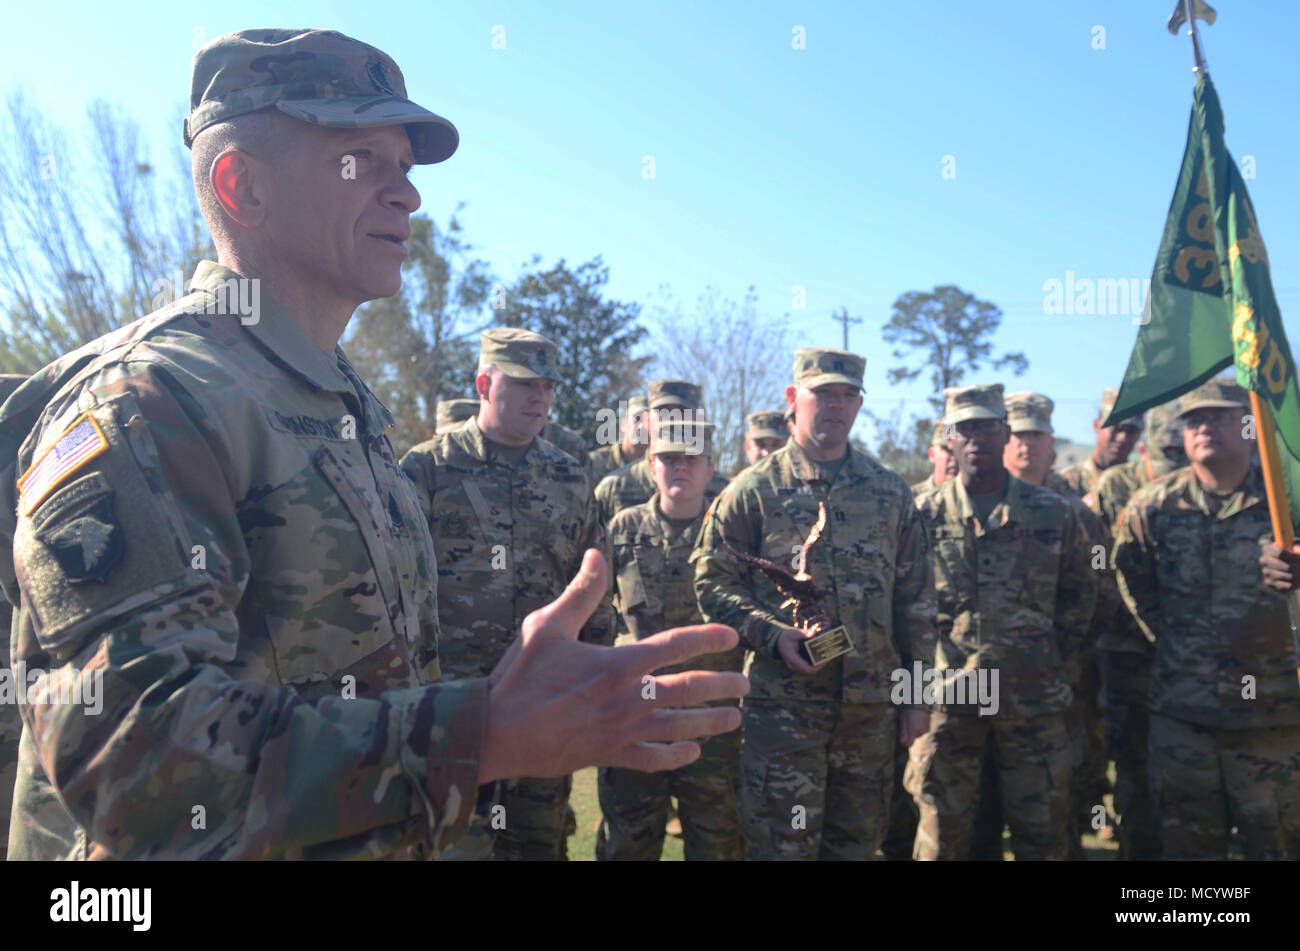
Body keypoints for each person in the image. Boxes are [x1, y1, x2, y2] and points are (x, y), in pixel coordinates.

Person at [0, 27, 747, 861]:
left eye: (407, 167)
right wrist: (484, 730)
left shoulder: (335, 397)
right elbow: (131, 761)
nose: (408, 197)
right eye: (362, 161)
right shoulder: (154, 400)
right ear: (240, 183)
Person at [694, 348, 936, 860]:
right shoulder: (753, 491)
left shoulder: (889, 493)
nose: (837, 406)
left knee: (856, 847)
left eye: (849, 395)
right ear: (793, 398)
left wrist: (916, 696)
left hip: (869, 717)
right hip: (785, 714)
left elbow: (916, 602)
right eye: (823, 393)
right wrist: (772, 634)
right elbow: (712, 583)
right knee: (782, 847)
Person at [400, 328, 607, 860]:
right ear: (485, 384)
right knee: (454, 844)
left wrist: (594, 675)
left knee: (540, 841)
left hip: (544, 698)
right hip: (452, 703)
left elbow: (593, 590)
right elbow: (395, 586)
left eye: (547, 386)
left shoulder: (568, 476)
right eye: (524, 384)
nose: (540, 397)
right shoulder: (426, 468)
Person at [908, 384, 1096, 861]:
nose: (976, 440)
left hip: (1034, 705)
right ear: (948, 438)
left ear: (1005, 433)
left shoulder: (1054, 513)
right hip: (947, 705)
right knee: (942, 840)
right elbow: (899, 610)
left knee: (1044, 837)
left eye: (988, 428)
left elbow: (1085, 600)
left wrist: (1044, 660)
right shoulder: (919, 517)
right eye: (964, 428)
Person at [1118, 378, 1300, 859]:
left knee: (1277, 845)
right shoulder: (1153, 506)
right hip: (1184, 715)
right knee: (1186, 850)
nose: (1205, 427)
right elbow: (1134, 586)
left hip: (1274, 717)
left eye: (1219, 416)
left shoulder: (1288, 502)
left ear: (1248, 424)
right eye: (1194, 419)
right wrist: (1182, 646)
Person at [598, 420, 745, 860]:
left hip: (713, 723)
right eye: (668, 459)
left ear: (710, 467)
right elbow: (597, 615)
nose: (680, 467)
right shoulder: (622, 528)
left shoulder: (731, 533)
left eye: (692, 459)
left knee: (716, 844)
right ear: (650, 465)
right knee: (628, 843)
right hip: (635, 717)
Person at [1002, 391, 1111, 858]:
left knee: (1053, 797)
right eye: (1017, 435)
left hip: (1058, 683)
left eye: (1036, 435)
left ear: (1052, 442)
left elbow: (1099, 594)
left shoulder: (1078, 512)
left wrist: (1063, 657)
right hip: (976, 687)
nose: (1026, 445)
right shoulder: (976, 500)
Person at [1091, 399, 1185, 860]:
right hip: (1129, 651)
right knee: (1132, 759)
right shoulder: (1118, 486)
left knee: (1189, 761)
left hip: (1195, 652)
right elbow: (1105, 569)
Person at [594, 379, 728, 527]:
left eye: (682, 412)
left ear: (697, 420)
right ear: (646, 419)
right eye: (662, 412)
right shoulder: (614, 489)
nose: (671, 419)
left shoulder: (722, 491)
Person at [1059, 387, 1142, 501]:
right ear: (1097, 426)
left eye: (1130, 430)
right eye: (1116, 428)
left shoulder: (1141, 483)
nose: (1122, 437)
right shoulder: (1066, 482)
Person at [589, 394, 648, 485]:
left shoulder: (660, 467)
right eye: (637, 419)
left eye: (648, 421)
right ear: (624, 424)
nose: (642, 426)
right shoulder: (594, 463)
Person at [911, 419, 958, 498]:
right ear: (932, 454)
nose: (954, 458)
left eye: (957, 451)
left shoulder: (973, 497)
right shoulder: (913, 498)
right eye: (948, 450)